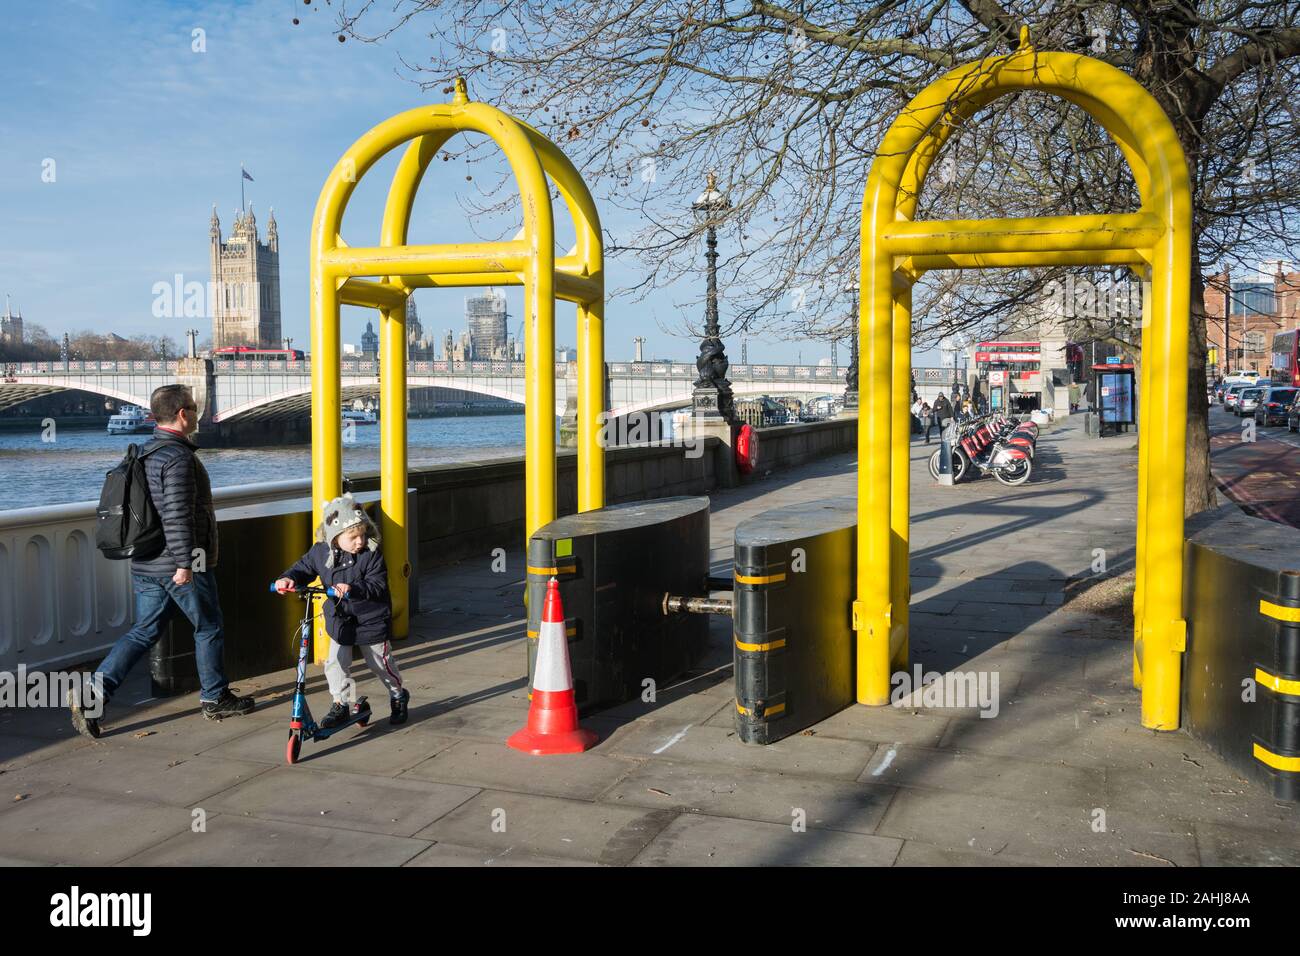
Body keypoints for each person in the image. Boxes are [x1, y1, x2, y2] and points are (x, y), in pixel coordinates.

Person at [69, 385, 254, 739]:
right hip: (181, 563)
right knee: (209, 626)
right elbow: (178, 516)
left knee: (145, 631)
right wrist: (185, 563)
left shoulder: (144, 453)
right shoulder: (178, 458)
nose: (198, 414)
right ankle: (215, 699)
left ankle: (92, 694)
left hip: (146, 561)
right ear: (183, 414)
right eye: (194, 408)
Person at [275, 494, 410, 726]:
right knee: (336, 662)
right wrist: (287, 578)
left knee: (380, 663)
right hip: (341, 617)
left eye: (363, 534)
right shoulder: (320, 552)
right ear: (335, 537)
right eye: (353, 537)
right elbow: (303, 567)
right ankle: (341, 703)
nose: (360, 541)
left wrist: (353, 588)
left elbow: (377, 585)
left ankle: (398, 694)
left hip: (371, 617)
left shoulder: (371, 553)